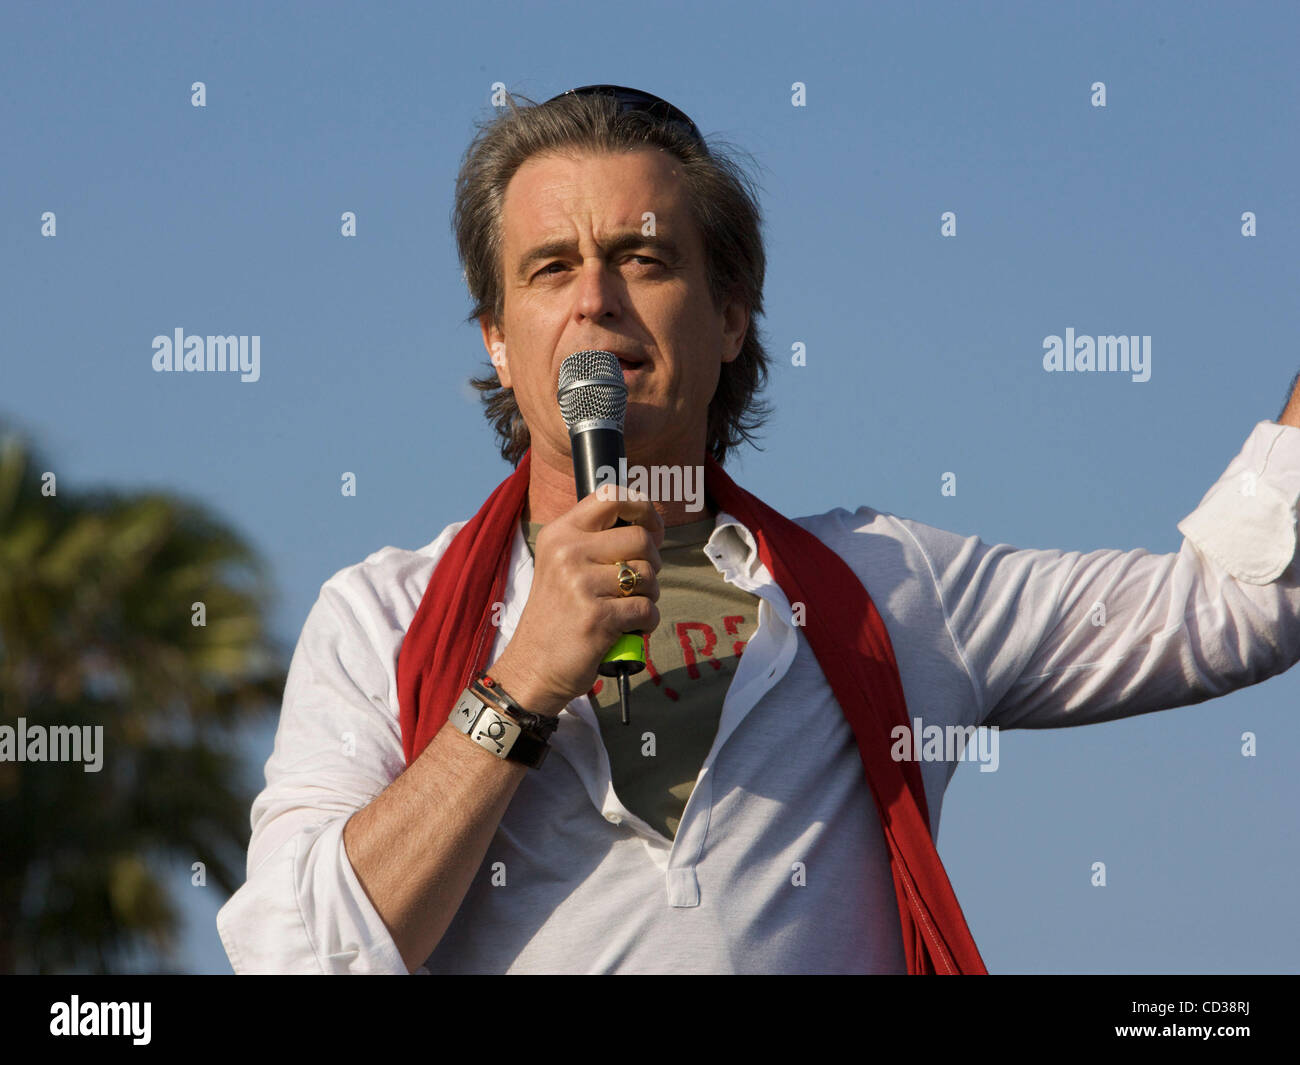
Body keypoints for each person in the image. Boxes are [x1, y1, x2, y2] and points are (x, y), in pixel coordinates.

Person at [216, 85, 1300, 974]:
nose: (594, 298)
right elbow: (296, 958)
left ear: (731, 316)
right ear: (499, 340)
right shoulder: (379, 617)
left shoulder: (885, 590)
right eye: (550, 269)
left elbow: (1243, 600)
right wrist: (516, 691)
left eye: (643, 259)